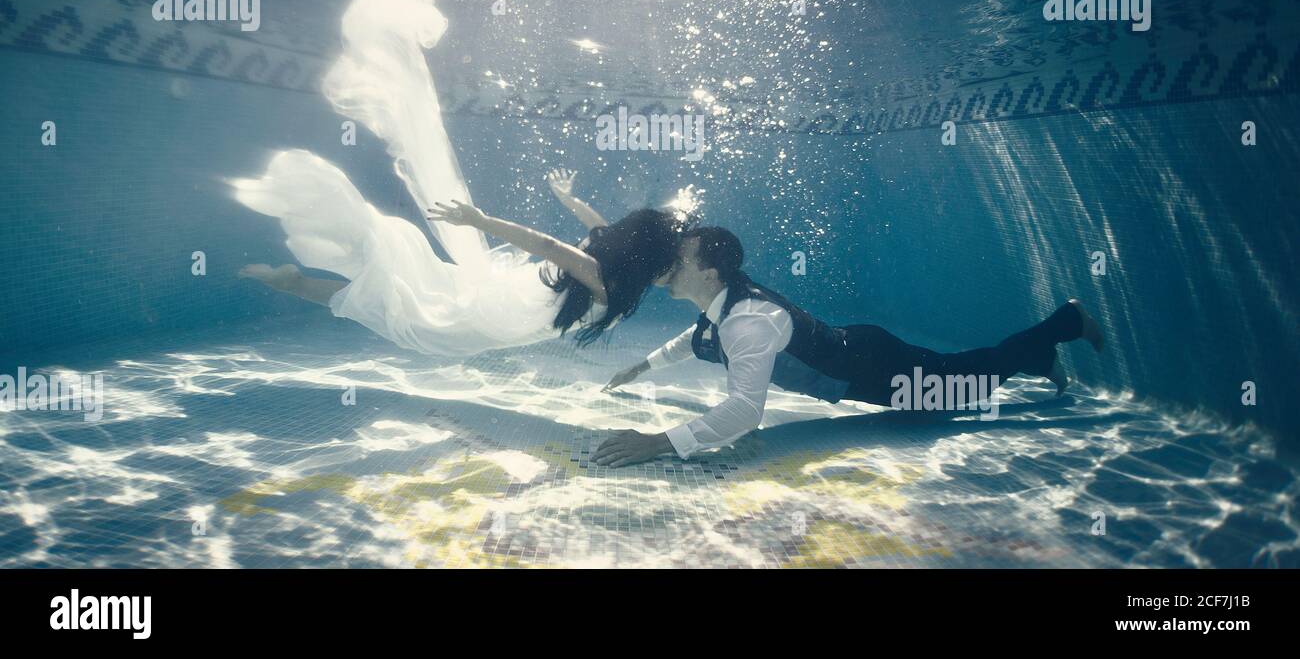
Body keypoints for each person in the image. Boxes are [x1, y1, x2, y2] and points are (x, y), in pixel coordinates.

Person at [592, 226, 1106, 467]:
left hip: (880, 371)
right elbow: (698, 340)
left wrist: (659, 442)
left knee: (972, 381)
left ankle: (1065, 322)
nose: (669, 270)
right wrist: (641, 366)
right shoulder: (722, 309)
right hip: (860, 355)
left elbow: (746, 410)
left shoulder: (747, 322)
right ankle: (1039, 356)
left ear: (707, 272)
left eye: (679, 261)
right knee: (975, 374)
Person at [236, 157, 682, 357]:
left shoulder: (603, 258)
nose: (669, 275)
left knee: (409, 290)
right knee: (403, 312)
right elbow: (549, 246)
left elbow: (593, 227)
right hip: (497, 317)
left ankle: (297, 278)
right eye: (667, 267)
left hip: (503, 292)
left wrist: (568, 199)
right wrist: (479, 220)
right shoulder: (609, 285)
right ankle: (293, 283)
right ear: (646, 264)